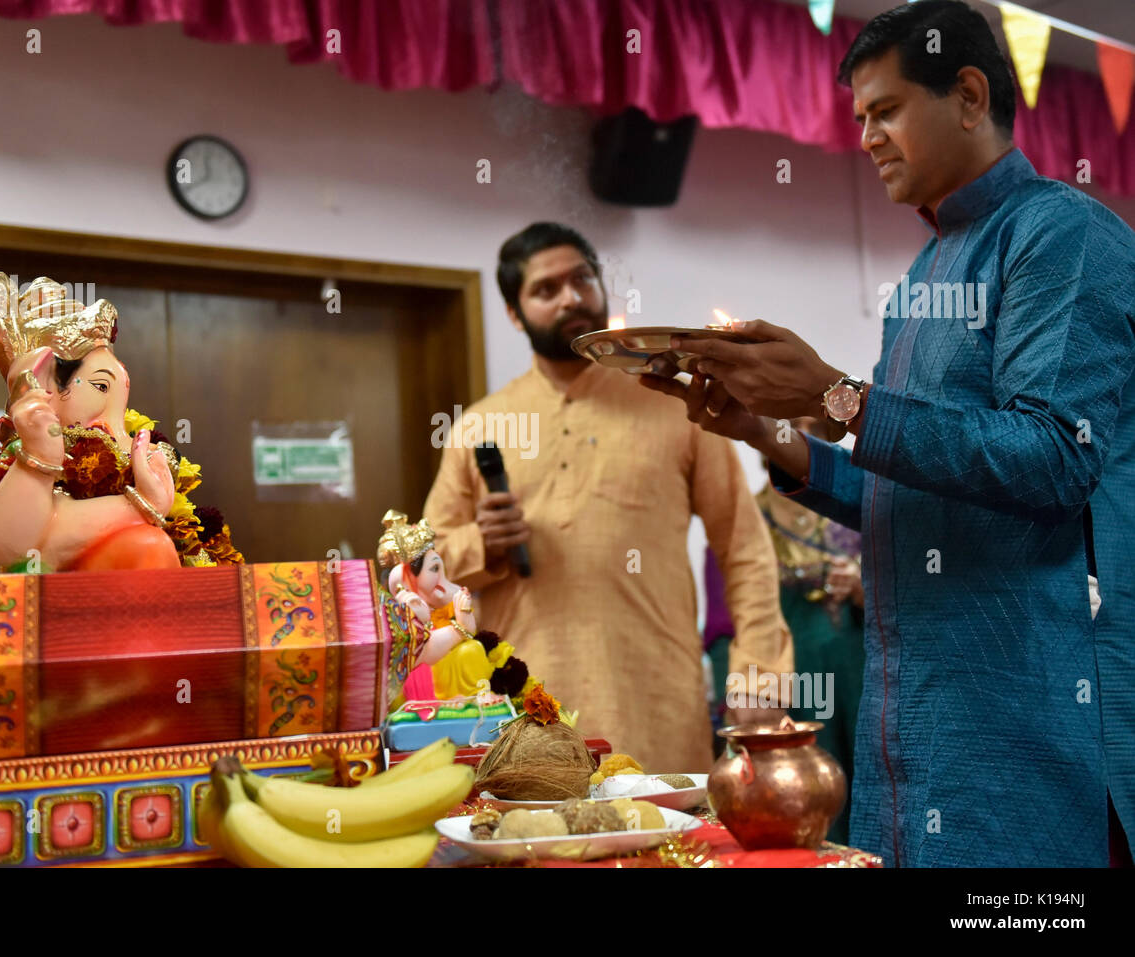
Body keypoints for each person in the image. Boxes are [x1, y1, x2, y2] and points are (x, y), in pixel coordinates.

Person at [643, 0, 1133, 867]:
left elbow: (1056, 459)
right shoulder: (920, 280)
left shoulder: (1060, 236)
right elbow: (905, 488)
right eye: (859, 116)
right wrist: (768, 431)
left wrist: (837, 395)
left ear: (971, 94)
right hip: (909, 728)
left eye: (886, 110)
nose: (866, 135)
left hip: (1028, 715)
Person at [422, 222, 792, 772]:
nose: (572, 297)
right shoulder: (479, 426)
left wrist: (760, 677)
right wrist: (482, 545)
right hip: (520, 717)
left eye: (582, 279)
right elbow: (423, 578)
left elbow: (743, 545)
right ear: (514, 314)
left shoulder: (675, 404)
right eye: (546, 290)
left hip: (656, 708)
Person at [0, 273, 242, 571]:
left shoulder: (115, 463)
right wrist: (139, 505)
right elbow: (14, 548)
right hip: (59, 606)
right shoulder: (31, 462)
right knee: (148, 546)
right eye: (100, 386)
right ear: (44, 383)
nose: (113, 420)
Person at [705, 417, 866, 845]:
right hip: (783, 690)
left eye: (807, 422)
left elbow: (904, 603)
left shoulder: (858, 514)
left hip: (854, 682)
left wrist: (861, 588)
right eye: (786, 423)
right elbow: (723, 630)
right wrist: (742, 698)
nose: (797, 431)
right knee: (792, 800)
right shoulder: (742, 522)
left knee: (863, 792)